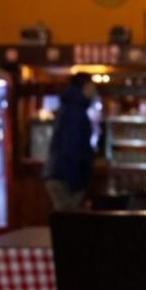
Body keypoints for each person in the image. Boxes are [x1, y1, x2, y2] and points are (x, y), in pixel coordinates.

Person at [44, 73, 97, 210]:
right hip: (66, 178)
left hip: (59, 174)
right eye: (93, 86)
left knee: (66, 219)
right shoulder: (76, 111)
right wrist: (77, 183)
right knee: (69, 219)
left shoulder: (70, 106)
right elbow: (70, 149)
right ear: (86, 86)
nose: (95, 90)